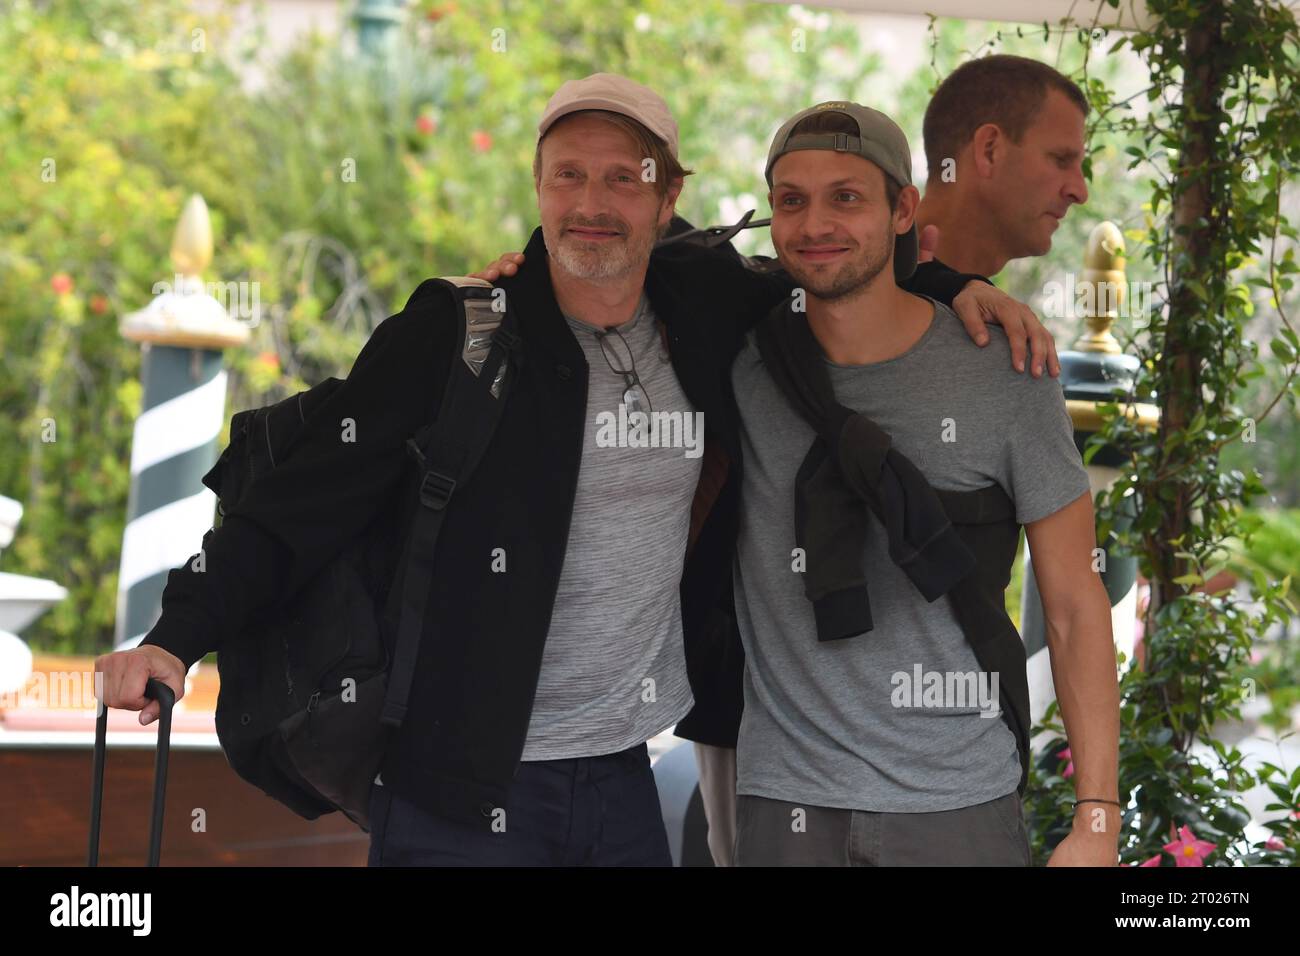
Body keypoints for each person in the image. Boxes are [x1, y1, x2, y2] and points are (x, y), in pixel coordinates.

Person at [96, 73, 1053, 866]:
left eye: (622, 180)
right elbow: (303, 504)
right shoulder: (460, 332)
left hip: (621, 780)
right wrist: (174, 638)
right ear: (540, 186)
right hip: (456, 790)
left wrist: (959, 289)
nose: (591, 204)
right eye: (567, 177)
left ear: (667, 195)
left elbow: (836, 270)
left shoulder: (709, 310)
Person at [726, 101, 1119, 865]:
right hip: (786, 805)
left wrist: (1096, 815)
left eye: (847, 197)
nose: (815, 224)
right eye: (791, 200)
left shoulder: (1007, 370)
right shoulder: (745, 364)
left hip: (956, 806)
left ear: (904, 208)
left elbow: (1074, 601)